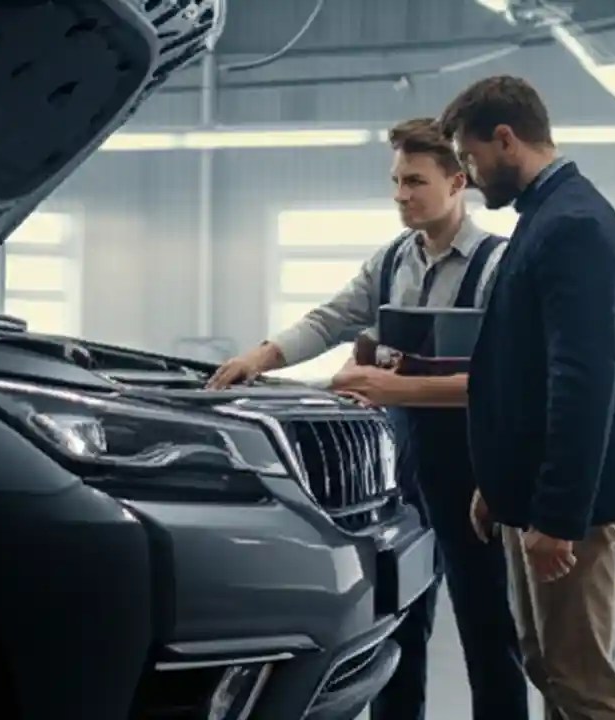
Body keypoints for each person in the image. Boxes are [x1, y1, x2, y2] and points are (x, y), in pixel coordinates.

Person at [207, 118, 529, 720]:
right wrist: (261, 355)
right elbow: (330, 319)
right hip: (401, 465)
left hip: (472, 466)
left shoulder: (497, 264)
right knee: (398, 623)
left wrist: (389, 382)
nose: (401, 195)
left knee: (487, 626)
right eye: (395, 181)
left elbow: (505, 384)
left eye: (415, 181)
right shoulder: (391, 261)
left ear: (458, 181)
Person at [439, 75, 615, 720]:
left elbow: (583, 381)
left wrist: (558, 517)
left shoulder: (574, 226)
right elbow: (519, 369)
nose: (471, 178)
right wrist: (497, 486)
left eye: (471, 158)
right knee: (549, 665)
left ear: (506, 139)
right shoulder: (545, 219)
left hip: (569, 508)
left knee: (580, 680)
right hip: (532, 494)